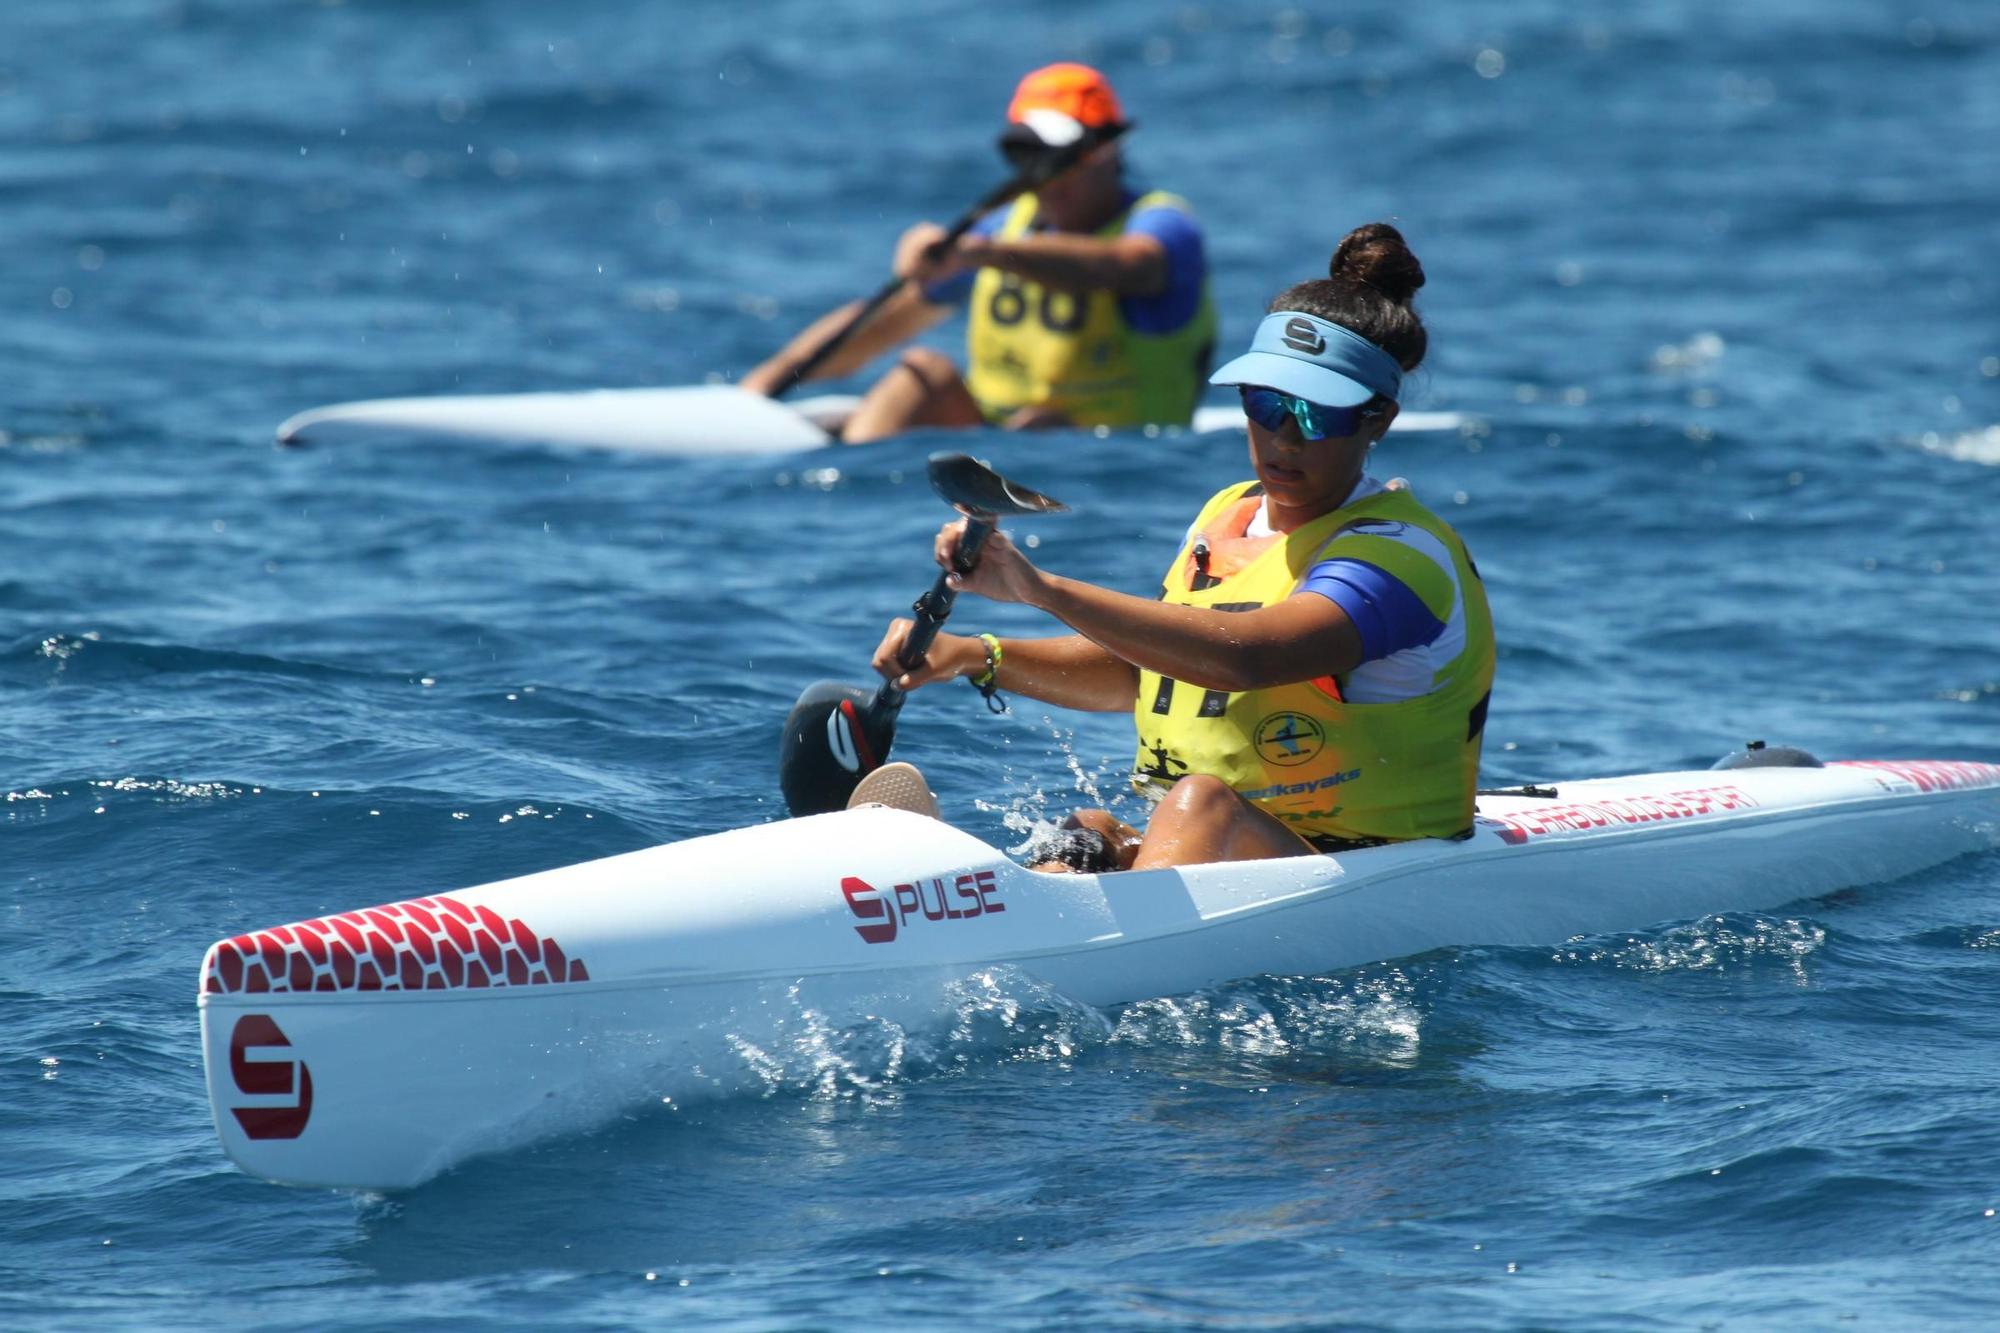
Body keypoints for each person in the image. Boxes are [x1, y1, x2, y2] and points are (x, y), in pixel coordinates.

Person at [866, 223, 1495, 871]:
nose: (1283, 437)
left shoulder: (1397, 558)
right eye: (1265, 403)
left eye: (1318, 414)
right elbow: (1149, 669)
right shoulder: (1228, 515)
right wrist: (976, 654)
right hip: (1234, 844)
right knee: (1087, 834)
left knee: (1198, 802)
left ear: (1379, 419)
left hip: (1375, 861)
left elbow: (1245, 660)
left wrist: (1041, 589)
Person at [739, 63, 1216, 444]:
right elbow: (888, 320)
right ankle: (856, 489)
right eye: (1025, 157)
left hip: (1123, 455)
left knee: (1045, 425)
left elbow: (1125, 267)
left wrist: (983, 254)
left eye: (1055, 158)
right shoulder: (1000, 232)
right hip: (1004, 446)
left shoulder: (1164, 226)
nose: (1042, 176)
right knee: (921, 370)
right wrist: (770, 382)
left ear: (1107, 151)